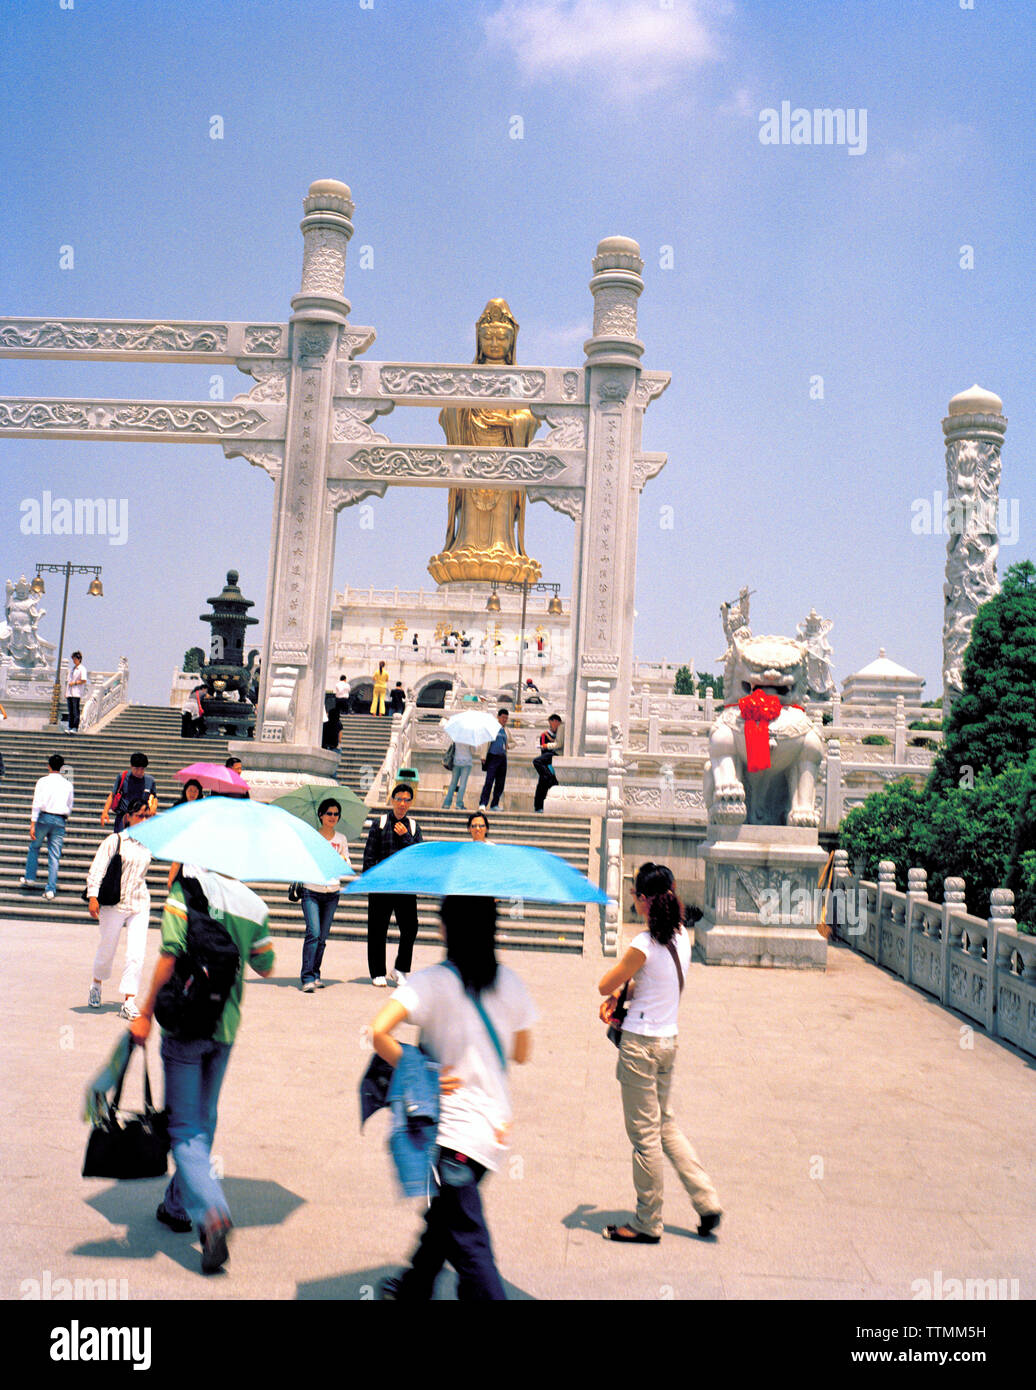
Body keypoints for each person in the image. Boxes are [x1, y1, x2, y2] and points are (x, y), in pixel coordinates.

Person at [372, 896, 536, 1300]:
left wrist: (419, 1066)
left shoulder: (430, 982)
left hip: (453, 1133)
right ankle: (414, 1288)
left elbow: (378, 1032)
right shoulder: (510, 982)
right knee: (445, 1216)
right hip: (493, 1130)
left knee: (468, 1241)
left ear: (445, 929)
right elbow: (522, 1052)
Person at [129, 865, 275, 1275]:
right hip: (224, 1028)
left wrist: (143, 1014)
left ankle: (212, 1213)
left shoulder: (184, 893)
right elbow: (267, 965)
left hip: (186, 1026)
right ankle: (176, 1205)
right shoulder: (255, 904)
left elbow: (169, 955)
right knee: (203, 1120)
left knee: (183, 1128)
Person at [597, 862, 722, 1244]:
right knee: (665, 1124)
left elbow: (604, 984)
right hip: (668, 1042)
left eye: (636, 894)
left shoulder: (643, 944)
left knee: (645, 1136)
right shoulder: (682, 936)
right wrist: (628, 993)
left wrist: (618, 990)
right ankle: (706, 1200)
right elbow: (654, 984)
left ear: (644, 899)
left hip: (641, 1048)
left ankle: (648, 1221)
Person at [86, 797, 154, 1018]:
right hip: (114, 903)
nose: (143, 820)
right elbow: (98, 868)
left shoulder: (150, 842)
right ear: (129, 817)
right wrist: (93, 896)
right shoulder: (115, 840)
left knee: (136, 954)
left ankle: (129, 999)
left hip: (140, 903)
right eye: (139, 815)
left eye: (147, 815)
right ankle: (96, 984)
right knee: (107, 948)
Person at [363, 784, 423, 987]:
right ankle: (377, 972)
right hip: (381, 886)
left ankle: (400, 969)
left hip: (404, 887)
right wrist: (370, 881)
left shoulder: (413, 827)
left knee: (410, 928)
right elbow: (369, 856)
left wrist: (406, 836)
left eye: (407, 800)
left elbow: (419, 857)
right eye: (399, 799)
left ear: (411, 803)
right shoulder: (379, 823)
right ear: (392, 799)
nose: (402, 803)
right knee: (378, 929)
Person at [299, 797, 353, 993]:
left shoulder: (341, 839)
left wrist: (340, 859)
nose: (332, 817)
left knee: (322, 937)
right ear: (320, 815)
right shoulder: (312, 836)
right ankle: (306, 977)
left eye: (336, 814)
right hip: (311, 891)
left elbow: (347, 866)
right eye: (329, 813)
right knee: (313, 933)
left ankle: (315, 973)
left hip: (332, 892)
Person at [20, 753, 74, 899]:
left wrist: (33, 823)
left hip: (44, 818)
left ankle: (30, 878)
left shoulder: (42, 781)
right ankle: (50, 889)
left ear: (48, 766)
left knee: (35, 847)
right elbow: (70, 806)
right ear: (62, 768)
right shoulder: (68, 784)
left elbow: (36, 803)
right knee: (54, 856)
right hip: (60, 820)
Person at [102, 753, 158, 832]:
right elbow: (112, 795)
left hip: (141, 818)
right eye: (136, 769)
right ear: (131, 766)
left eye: (141, 769)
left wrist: (153, 807)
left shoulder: (150, 780)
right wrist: (105, 812)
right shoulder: (122, 777)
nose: (139, 772)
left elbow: (154, 796)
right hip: (124, 817)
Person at [478, 709, 509, 812]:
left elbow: (513, 742)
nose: (505, 720)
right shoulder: (492, 728)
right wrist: (483, 756)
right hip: (493, 757)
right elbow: (485, 741)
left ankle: (494, 804)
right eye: (503, 717)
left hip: (502, 758)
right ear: (498, 717)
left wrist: (508, 746)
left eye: (506, 718)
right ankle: (483, 803)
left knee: (500, 783)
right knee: (489, 781)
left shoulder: (506, 730)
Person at [533, 714, 564, 813]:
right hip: (546, 764)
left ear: (556, 721)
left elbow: (558, 743)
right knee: (542, 784)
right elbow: (543, 748)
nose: (552, 726)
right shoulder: (544, 735)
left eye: (552, 724)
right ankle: (538, 806)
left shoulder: (560, 732)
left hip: (553, 763)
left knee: (552, 785)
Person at [442, 738, 473, 811]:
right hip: (466, 762)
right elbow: (473, 750)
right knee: (462, 784)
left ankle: (447, 804)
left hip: (456, 761)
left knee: (453, 784)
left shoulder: (456, 736)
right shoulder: (470, 737)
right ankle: (459, 804)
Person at [66, 650, 88, 733]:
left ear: (79, 659)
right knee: (70, 711)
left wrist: (75, 683)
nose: (74, 661)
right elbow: (68, 681)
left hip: (76, 693)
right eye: (73, 659)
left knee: (76, 711)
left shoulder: (82, 669)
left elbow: (84, 680)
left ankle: (75, 727)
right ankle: (70, 726)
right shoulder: (72, 669)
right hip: (70, 693)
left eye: (75, 659)